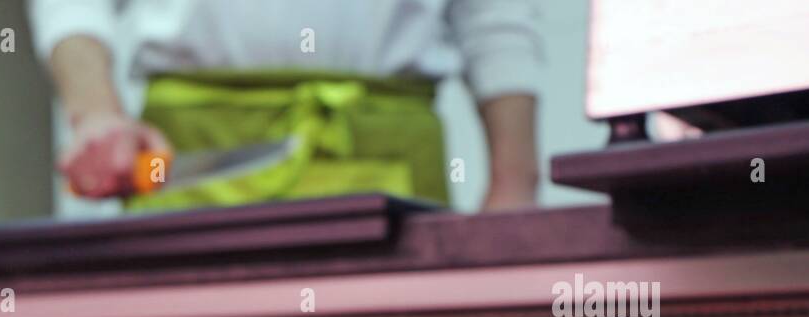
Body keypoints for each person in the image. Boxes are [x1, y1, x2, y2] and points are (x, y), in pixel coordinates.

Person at [28, 0, 542, 213]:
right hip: (183, 160)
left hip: (390, 156)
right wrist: (95, 110)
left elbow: (496, 13)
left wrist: (515, 182)